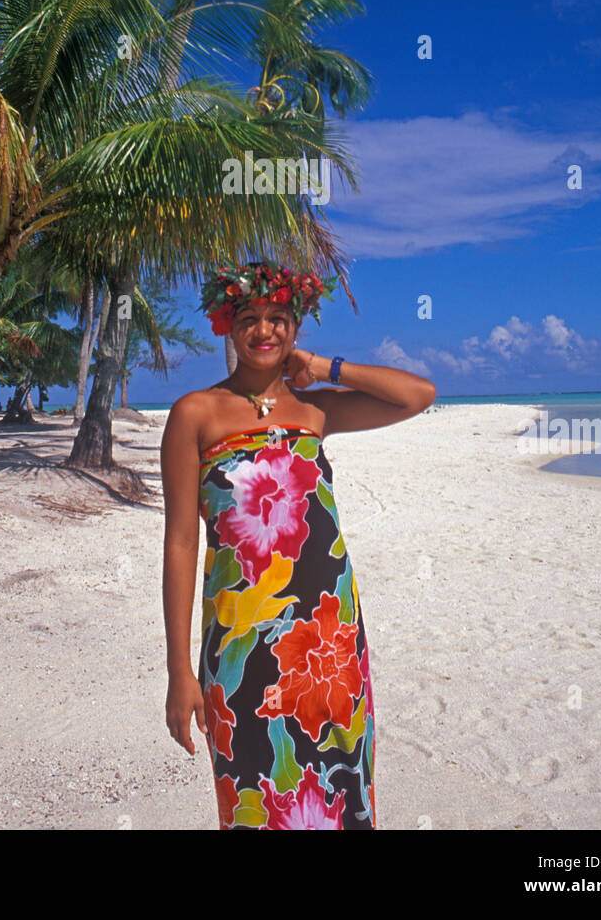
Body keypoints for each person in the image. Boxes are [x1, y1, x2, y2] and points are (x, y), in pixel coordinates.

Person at [160, 260, 436, 830]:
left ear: (295, 327)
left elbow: (418, 395)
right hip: (241, 644)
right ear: (226, 326)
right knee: (253, 795)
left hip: (328, 643)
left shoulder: (315, 411)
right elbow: (183, 541)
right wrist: (178, 670)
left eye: (279, 319)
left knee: (340, 788)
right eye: (250, 318)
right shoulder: (196, 414)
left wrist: (326, 367)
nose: (264, 331)